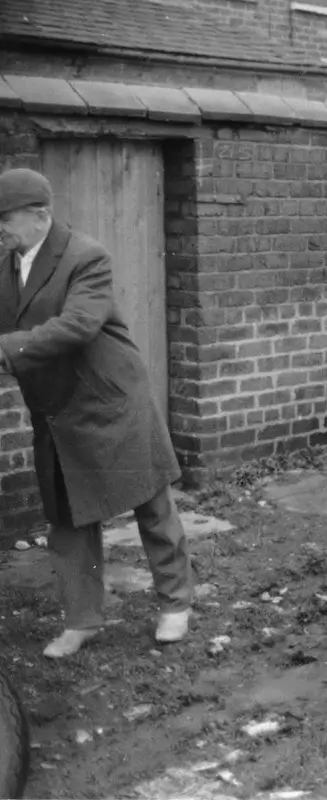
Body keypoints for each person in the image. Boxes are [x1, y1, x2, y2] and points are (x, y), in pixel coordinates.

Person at [0, 168, 194, 658]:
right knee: (66, 519)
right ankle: (82, 620)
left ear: (41, 215)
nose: (0, 227)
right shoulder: (7, 265)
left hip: (110, 401)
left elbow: (78, 325)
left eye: (5, 217)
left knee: (151, 504)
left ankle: (175, 603)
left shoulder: (86, 256)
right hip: (56, 409)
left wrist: (5, 349)